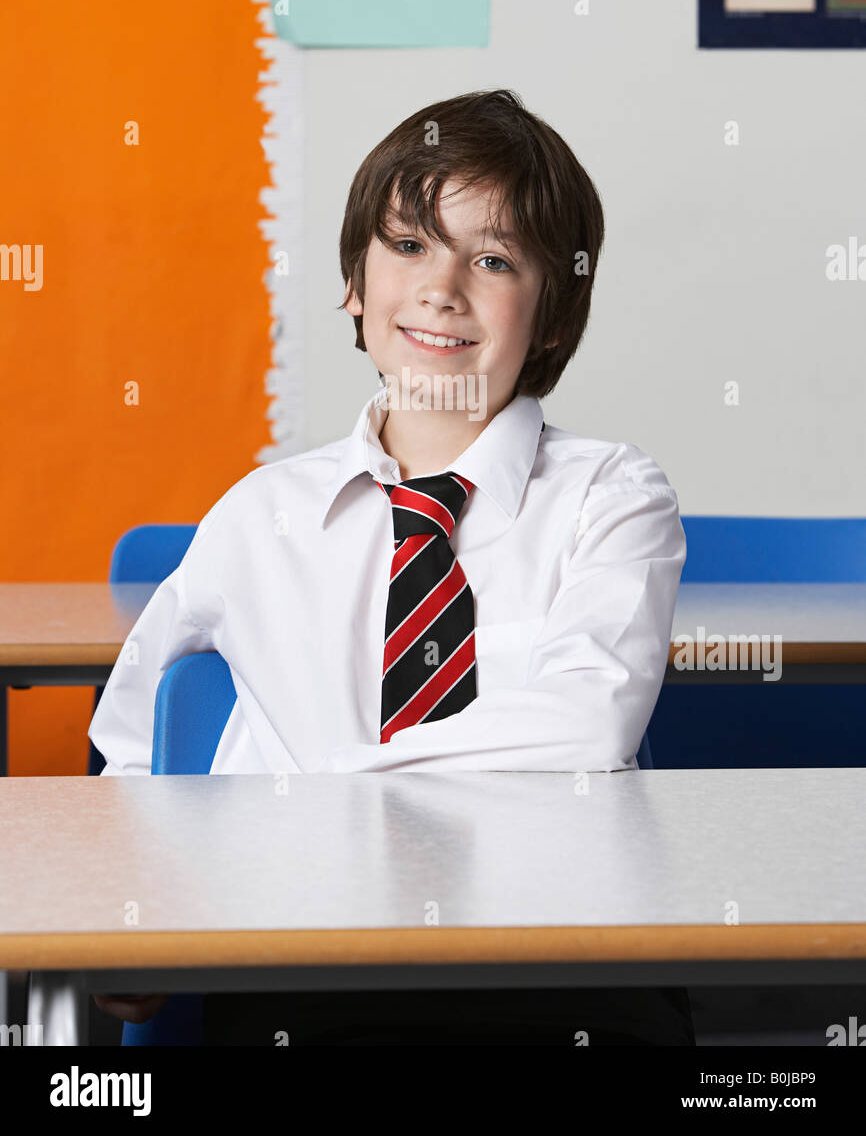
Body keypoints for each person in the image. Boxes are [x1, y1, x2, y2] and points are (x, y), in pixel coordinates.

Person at [91, 88, 694, 1045]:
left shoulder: (612, 497)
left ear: (551, 315)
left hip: (557, 959)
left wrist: (328, 789)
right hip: (311, 965)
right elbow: (133, 734)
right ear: (354, 287)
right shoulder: (263, 517)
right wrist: (132, 903)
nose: (441, 287)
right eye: (410, 245)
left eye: (493, 259)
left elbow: (583, 725)